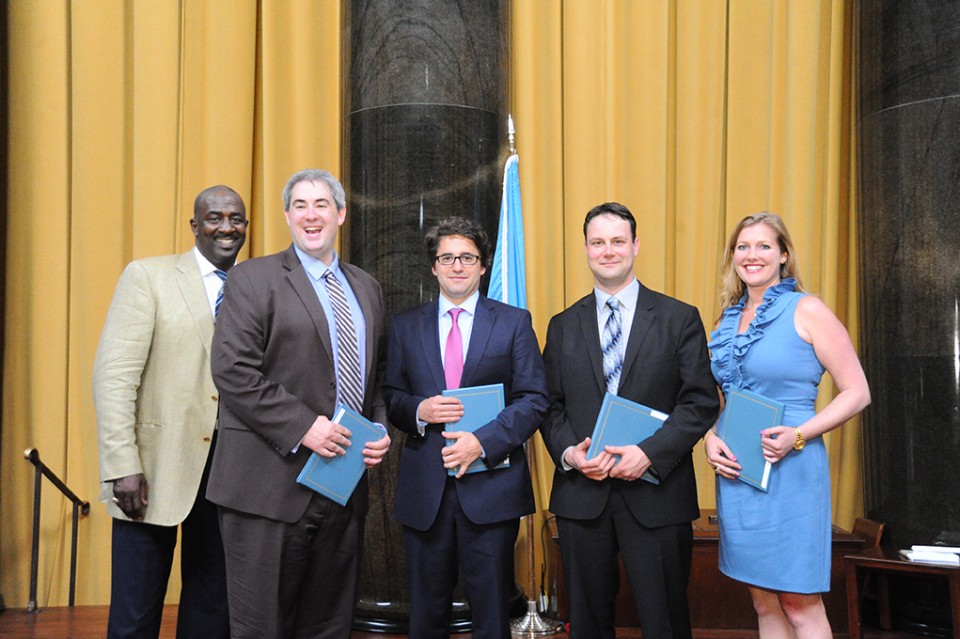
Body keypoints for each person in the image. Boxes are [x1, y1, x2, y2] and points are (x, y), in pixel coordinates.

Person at [206, 169, 392, 638]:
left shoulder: (366, 287)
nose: (312, 216)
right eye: (301, 206)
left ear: (341, 214)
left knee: (329, 624)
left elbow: (378, 377)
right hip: (267, 487)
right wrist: (303, 427)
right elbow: (233, 371)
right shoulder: (253, 278)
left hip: (343, 486)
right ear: (287, 216)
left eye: (322, 205)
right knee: (263, 627)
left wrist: (381, 429)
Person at [540, 202, 719, 639]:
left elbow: (699, 402)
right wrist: (569, 453)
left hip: (657, 494)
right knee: (587, 623)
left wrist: (649, 454)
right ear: (585, 249)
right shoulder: (563, 325)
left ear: (635, 246)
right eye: (597, 242)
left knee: (665, 622)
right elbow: (548, 404)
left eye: (617, 241)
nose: (608, 251)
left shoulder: (680, 318)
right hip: (583, 494)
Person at [704, 213, 870, 638]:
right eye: (743, 247)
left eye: (763, 246)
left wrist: (799, 435)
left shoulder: (808, 309)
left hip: (791, 468)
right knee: (763, 603)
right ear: (733, 257)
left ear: (783, 255)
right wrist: (709, 439)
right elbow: (717, 400)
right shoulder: (726, 320)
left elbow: (857, 391)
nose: (752, 255)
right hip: (740, 473)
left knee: (799, 604)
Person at [93, 185, 248, 639]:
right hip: (153, 471)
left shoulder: (256, 284)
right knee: (136, 614)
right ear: (195, 225)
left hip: (231, 472)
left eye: (236, 218)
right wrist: (122, 464)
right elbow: (114, 377)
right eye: (215, 217)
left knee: (212, 610)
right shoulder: (148, 276)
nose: (226, 227)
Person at [383, 216, 549, 639]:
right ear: (434, 266)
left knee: (492, 614)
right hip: (426, 492)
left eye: (467, 258)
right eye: (448, 257)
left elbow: (534, 399)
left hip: (491, 489)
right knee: (425, 615)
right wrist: (420, 410)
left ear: (483, 265)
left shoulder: (513, 322)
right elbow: (391, 395)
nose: (457, 266)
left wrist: (482, 442)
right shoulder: (404, 326)